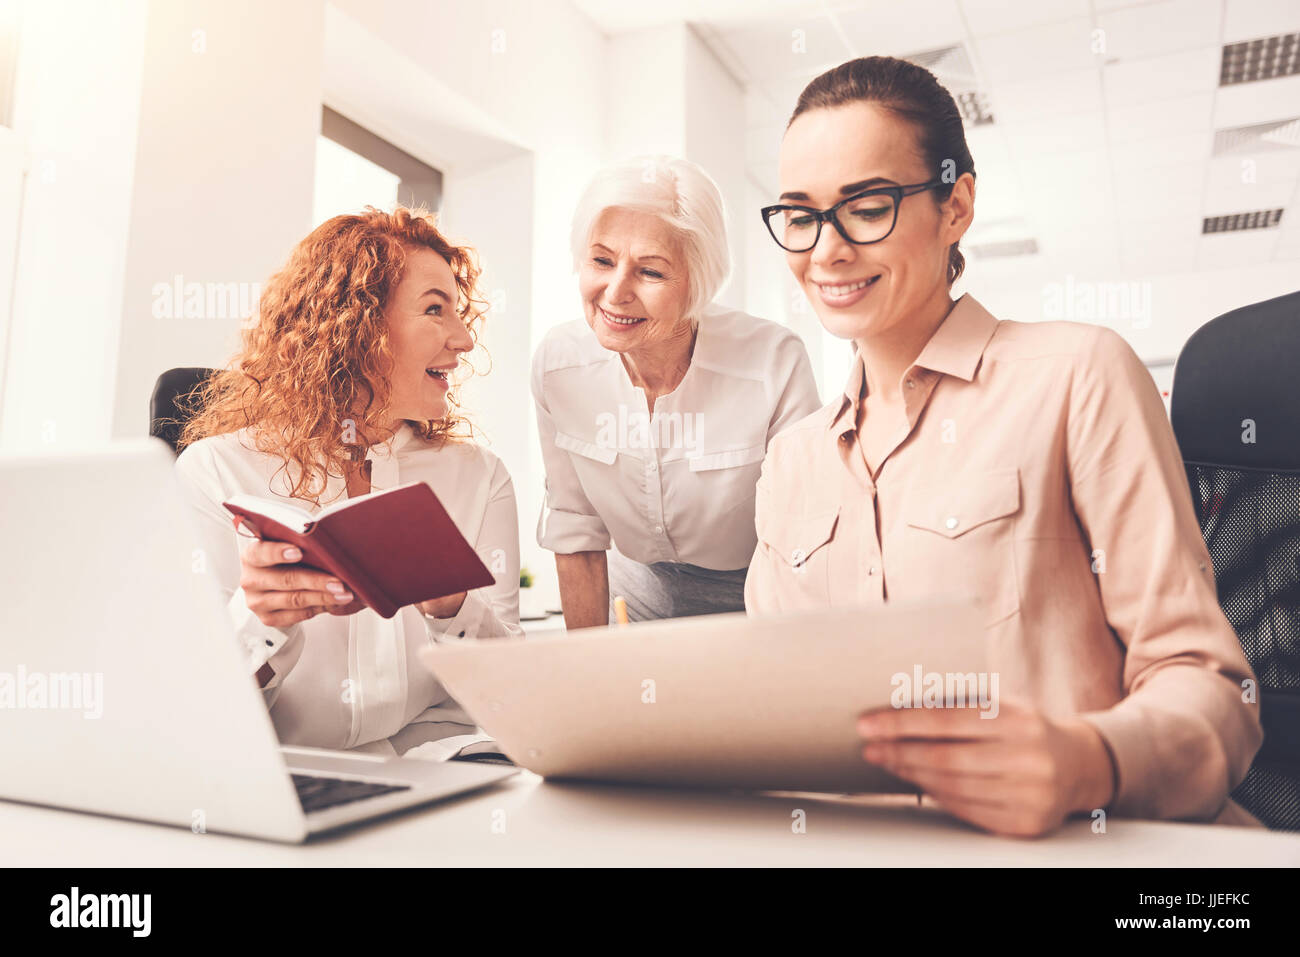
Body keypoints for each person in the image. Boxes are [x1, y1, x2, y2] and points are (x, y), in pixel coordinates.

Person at [746, 56, 1262, 835]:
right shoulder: (792, 461)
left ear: (956, 205)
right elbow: (771, 708)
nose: (826, 249)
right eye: (800, 213)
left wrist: (1087, 758)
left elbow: (1215, 692)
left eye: (867, 206)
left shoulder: (1077, 376)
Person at [174, 207, 522, 757]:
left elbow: (512, 698)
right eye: (435, 310)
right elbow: (192, 714)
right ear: (355, 327)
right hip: (285, 777)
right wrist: (260, 621)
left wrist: (454, 606)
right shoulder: (215, 470)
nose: (463, 340)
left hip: (433, 775)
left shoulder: (479, 477)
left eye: (459, 313)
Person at [534, 156, 821, 628]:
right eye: (602, 261)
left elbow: (797, 540)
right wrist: (589, 675)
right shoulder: (559, 364)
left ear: (698, 286)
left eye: (650, 272)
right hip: (636, 598)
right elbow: (575, 528)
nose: (615, 293)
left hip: (755, 595)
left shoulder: (774, 362)